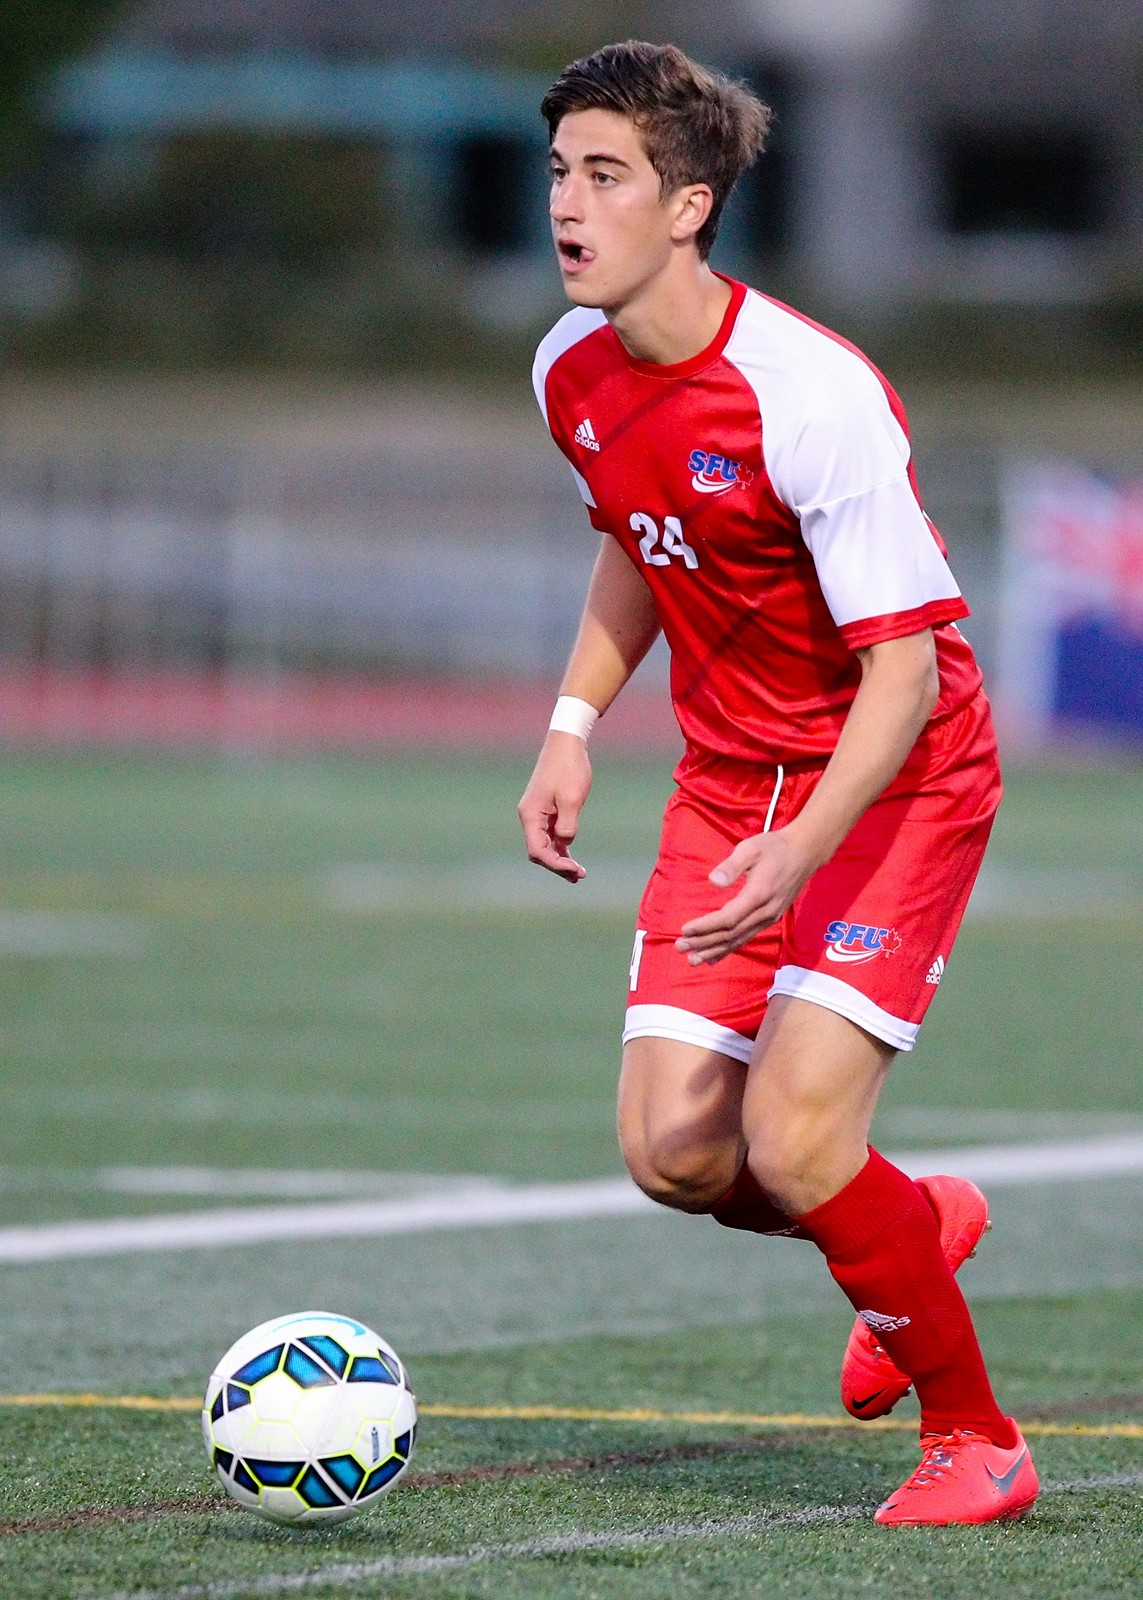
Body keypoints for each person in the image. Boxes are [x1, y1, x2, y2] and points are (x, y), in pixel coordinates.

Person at [517, 40, 1039, 1526]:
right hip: (733, 776)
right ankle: (914, 1228)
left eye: (605, 176)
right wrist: (571, 721)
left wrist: (808, 844)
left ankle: (979, 1439)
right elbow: (640, 533)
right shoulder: (569, 367)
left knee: (799, 1135)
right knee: (675, 1152)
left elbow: (910, 672)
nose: (568, 203)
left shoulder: (813, 395)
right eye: (560, 171)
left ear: (689, 207)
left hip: (898, 780)